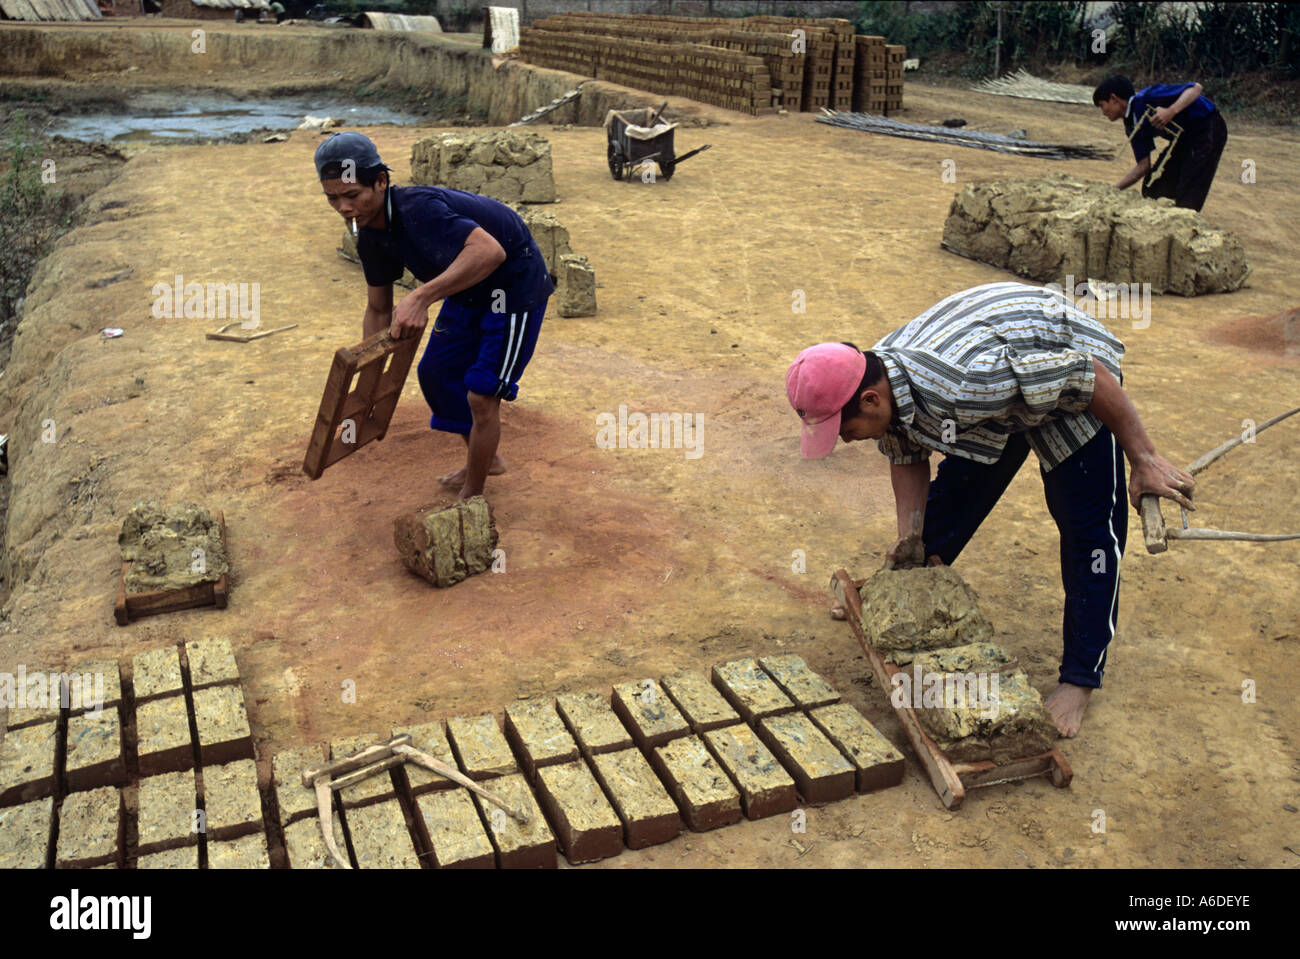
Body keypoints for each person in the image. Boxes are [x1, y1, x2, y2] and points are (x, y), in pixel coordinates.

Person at [785, 281, 1195, 737]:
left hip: (1071, 366)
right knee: (961, 487)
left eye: (844, 431)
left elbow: (1089, 375)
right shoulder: (877, 375)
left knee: (1086, 526)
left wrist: (1143, 459)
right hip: (1009, 379)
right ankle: (908, 586)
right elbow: (906, 454)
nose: (844, 441)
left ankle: (1080, 678)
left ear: (870, 401)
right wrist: (910, 543)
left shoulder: (965, 386)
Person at [314, 132, 554, 500]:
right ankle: (483, 456)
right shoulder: (369, 236)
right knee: (437, 374)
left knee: (482, 394)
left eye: (352, 195)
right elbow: (378, 309)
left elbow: (489, 252)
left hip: (512, 288)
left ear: (381, 182)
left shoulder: (418, 209)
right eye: (332, 198)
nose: (344, 208)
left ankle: (472, 495)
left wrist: (421, 296)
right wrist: (370, 374)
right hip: (467, 287)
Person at [1093, 74, 1227, 212]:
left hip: (1208, 126)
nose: (1103, 112)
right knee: (1153, 188)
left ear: (1114, 99)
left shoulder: (1147, 97)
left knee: (1189, 187)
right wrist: (1113, 190)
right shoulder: (1132, 125)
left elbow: (1195, 88)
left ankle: (1186, 220)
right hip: (1184, 138)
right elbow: (1143, 166)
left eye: (1102, 106)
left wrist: (1171, 111)